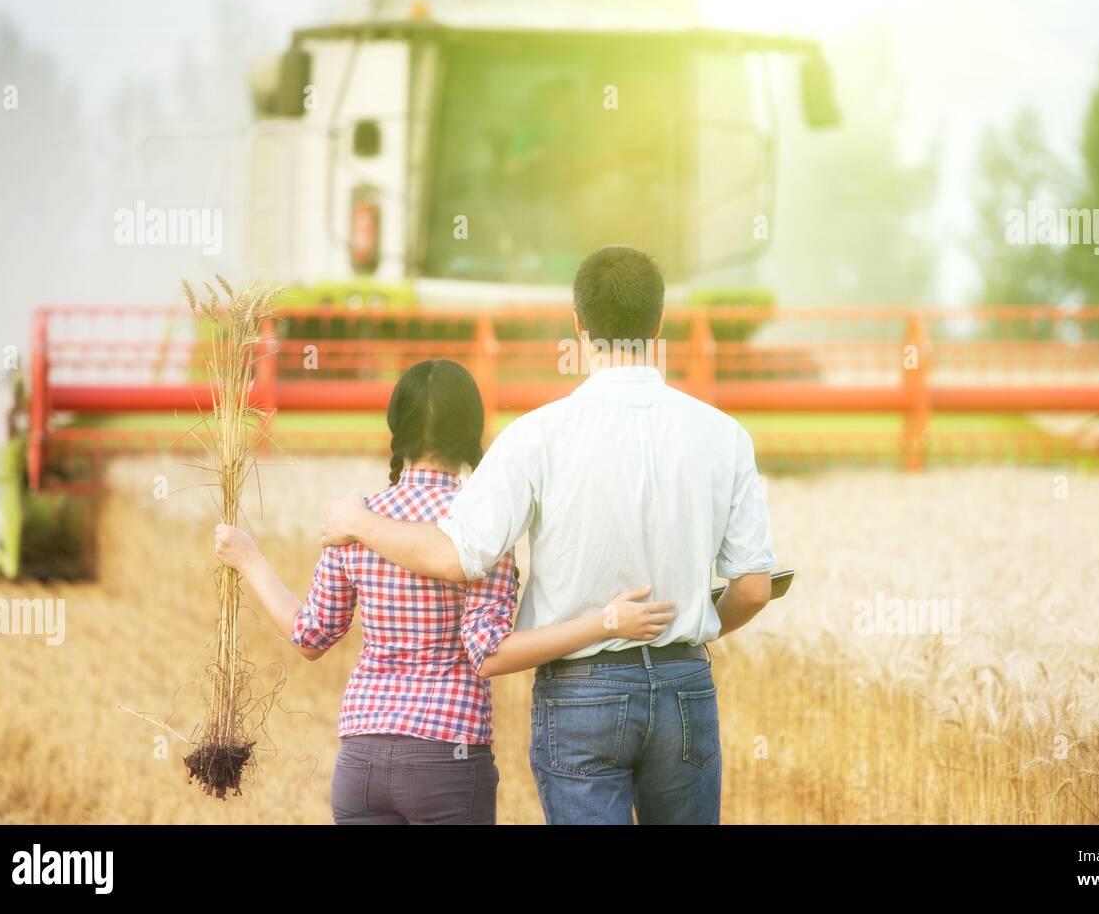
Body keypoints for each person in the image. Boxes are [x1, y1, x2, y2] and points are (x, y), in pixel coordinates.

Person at [320, 246, 776, 824]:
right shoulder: (724, 435)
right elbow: (754, 589)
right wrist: (687, 628)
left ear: (578, 326)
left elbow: (456, 556)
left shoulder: (535, 435)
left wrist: (358, 521)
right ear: (660, 324)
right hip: (685, 683)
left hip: (580, 689)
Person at [213, 358, 676, 824]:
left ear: (398, 427)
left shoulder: (354, 520)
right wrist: (604, 622)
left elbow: (310, 636)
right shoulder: (483, 526)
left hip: (361, 759)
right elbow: (488, 651)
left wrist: (249, 557)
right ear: (473, 429)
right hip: (448, 755)